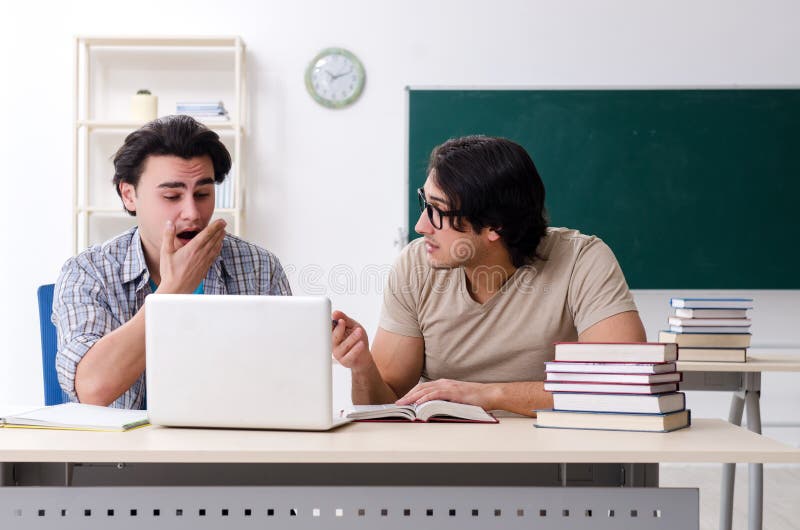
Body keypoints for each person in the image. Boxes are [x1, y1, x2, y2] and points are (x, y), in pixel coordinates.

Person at [332, 135, 646, 416]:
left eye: (438, 211)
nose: (420, 226)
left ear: (495, 226)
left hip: (553, 458)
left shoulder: (582, 260)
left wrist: (488, 394)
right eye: (423, 203)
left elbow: (620, 382)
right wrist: (362, 367)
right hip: (444, 458)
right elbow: (385, 408)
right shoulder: (415, 265)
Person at [53, 115, 291, 409]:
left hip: (231, 449)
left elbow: (287, 387)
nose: (192, 212)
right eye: (171, 195)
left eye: (203, 193)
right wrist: (171, 293)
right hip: (126, 455)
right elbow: (93, 389)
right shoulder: (89, 272)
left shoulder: (259, 267)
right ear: (129, 195)